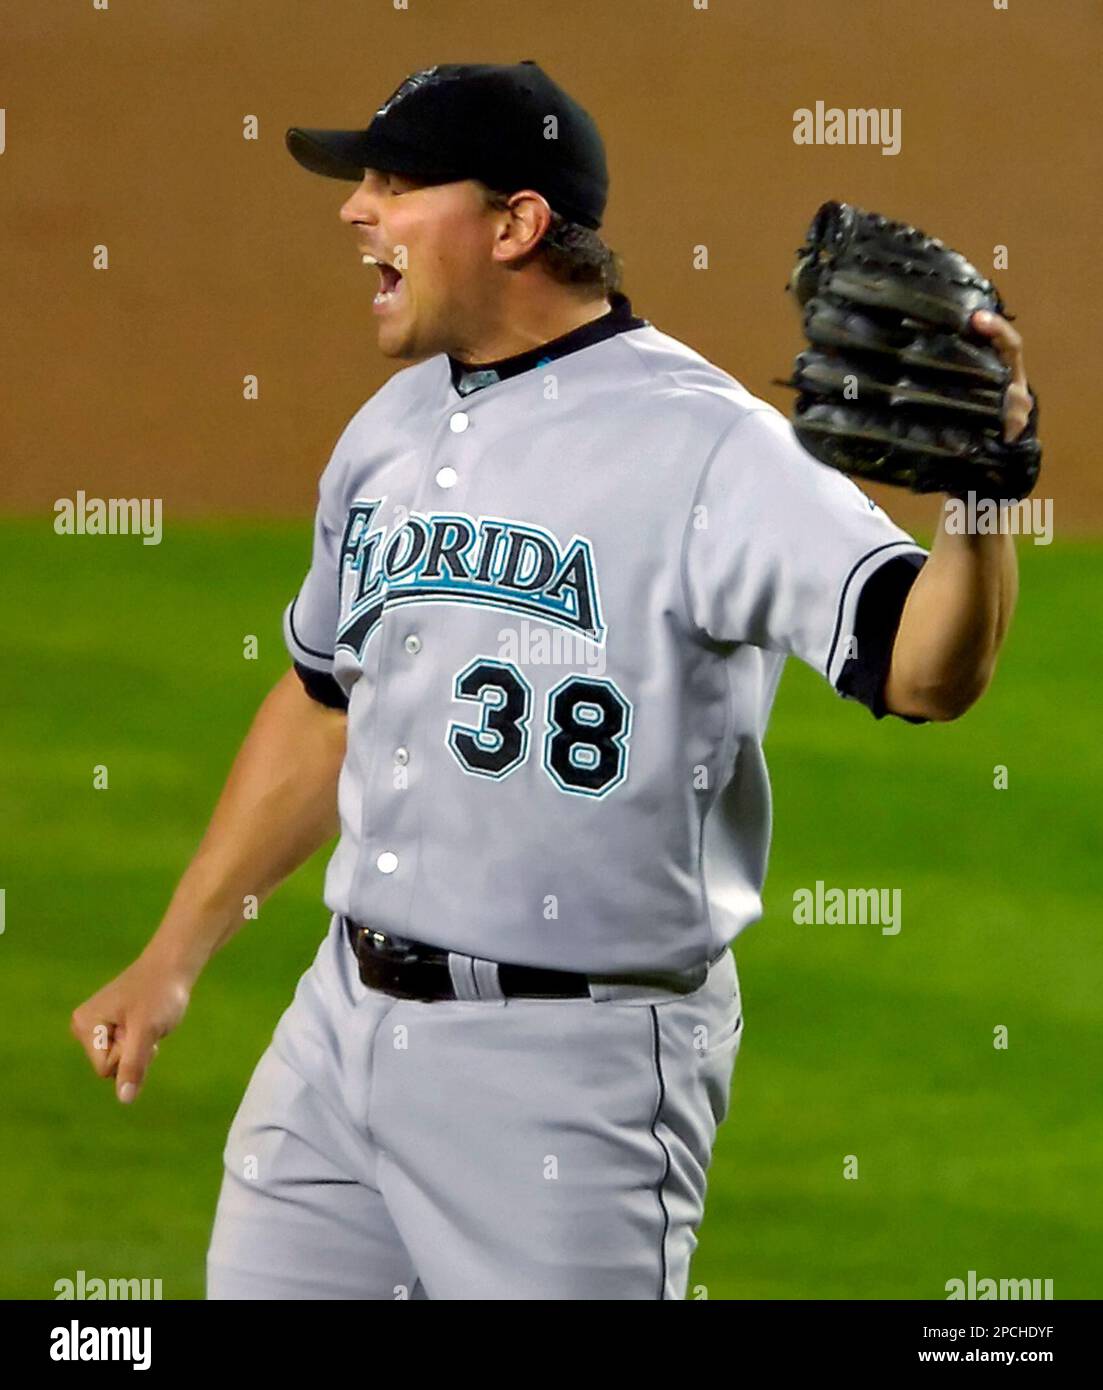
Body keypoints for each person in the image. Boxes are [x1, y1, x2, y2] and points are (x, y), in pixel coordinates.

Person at [70, 61, 1036, 1300]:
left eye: (395, 183)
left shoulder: (707, 443)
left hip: (571, 1074)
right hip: (336, 1032)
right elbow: (325, 704)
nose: (353, 209)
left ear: (516, 223)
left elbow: (921, 669)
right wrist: (174, 954)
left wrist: (978, 498)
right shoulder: (387, 430)